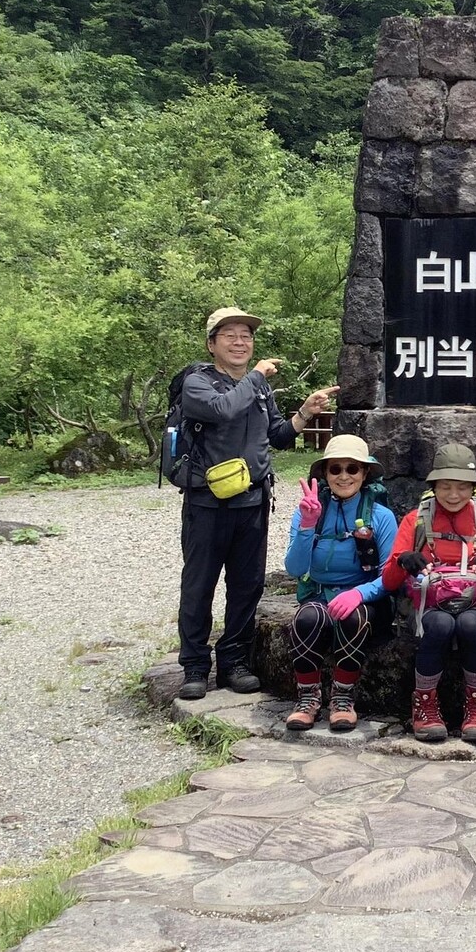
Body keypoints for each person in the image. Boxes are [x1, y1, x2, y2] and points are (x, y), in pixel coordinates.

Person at [177, 307, 338, 701]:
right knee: (199, 585)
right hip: (207, 503)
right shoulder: (198, 382)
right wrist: (257, 375)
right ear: (211, 343)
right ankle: (195, 665)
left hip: (252, 501)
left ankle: (234, 660)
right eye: (229, 335)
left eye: (246, 336)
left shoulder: (260, 388)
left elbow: (278, 436)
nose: (239, 341)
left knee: (247, 586)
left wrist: (305, 412)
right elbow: (222, 409)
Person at [381, 443, 476, 744]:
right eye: (445, 487)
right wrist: (403, 561)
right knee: (441, 625)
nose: (454, 495)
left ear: (473, 488)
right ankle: (424, 704)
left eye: (462, 487)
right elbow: (389, 582)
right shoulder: (415, 520)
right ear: (433, 486)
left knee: (468, 624)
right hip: (429, 604)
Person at [281, 434, 399, 732]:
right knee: (307, 618)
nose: (344, 476)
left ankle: (342, 698)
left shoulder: (381, 516)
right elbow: (295, 567)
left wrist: (358, 593)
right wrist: (308, 525)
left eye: (352, 468)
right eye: (335, 469)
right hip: (319, 594)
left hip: (366, 599)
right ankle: (307, 697)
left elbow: (389, 575)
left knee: (351, 617)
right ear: (324, 474)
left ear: (365, 473)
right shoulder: (309, 511)